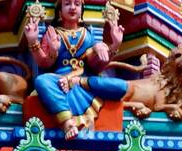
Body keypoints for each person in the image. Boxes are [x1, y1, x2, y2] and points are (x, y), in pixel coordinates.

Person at [25, 0, 127, 139]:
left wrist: (114, 46)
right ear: (60, 11)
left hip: (83, 81)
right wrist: (34, 42)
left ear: (82, 10)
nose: (72, 7)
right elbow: (44, 63)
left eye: (77, 4)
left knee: (121, 86)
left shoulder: (87, 35)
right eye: (67, 4)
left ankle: (78, 82)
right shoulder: (53, 33)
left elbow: (96, 65)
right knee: (42, 81)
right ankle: (67, 122)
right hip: (59, 82)